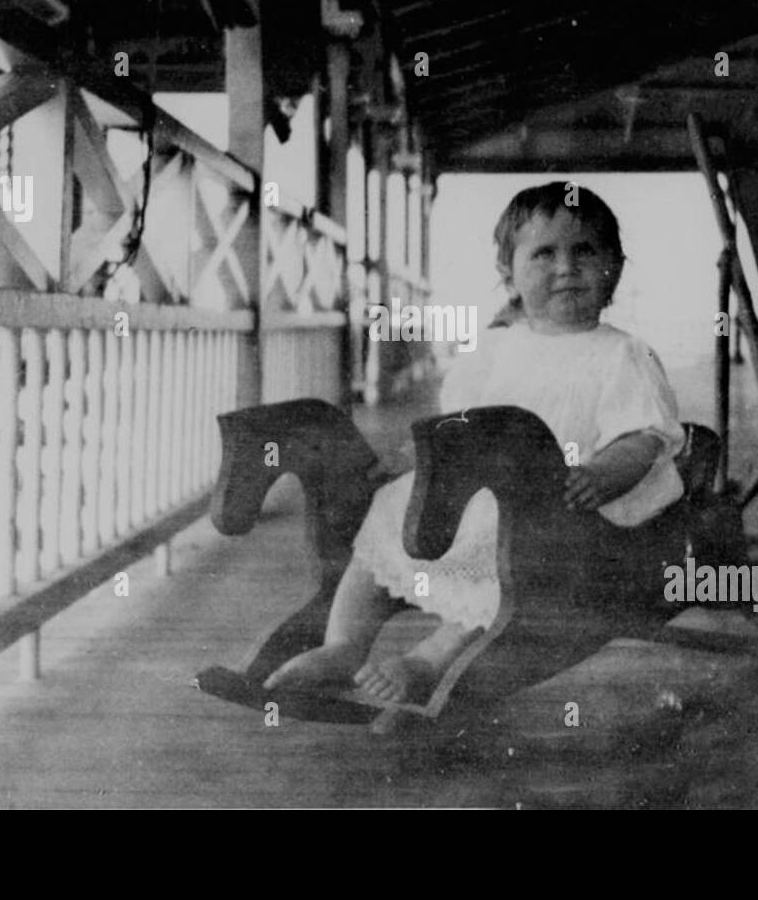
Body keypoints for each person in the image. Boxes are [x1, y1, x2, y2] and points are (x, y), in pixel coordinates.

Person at [263, 182, 686, 703]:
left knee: (506, 559)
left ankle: (430, 658)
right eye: (544, 253)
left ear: (614, 268)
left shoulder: (623, 355)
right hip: (484, 491)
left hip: (572, 507)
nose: (566, 267)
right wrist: (418, 459)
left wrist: (602, 474)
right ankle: (344, 644)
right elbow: (457, 422)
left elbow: (641, 437)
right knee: (385, 523)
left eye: (585, 252)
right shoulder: (497, 348)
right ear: (509, 273)